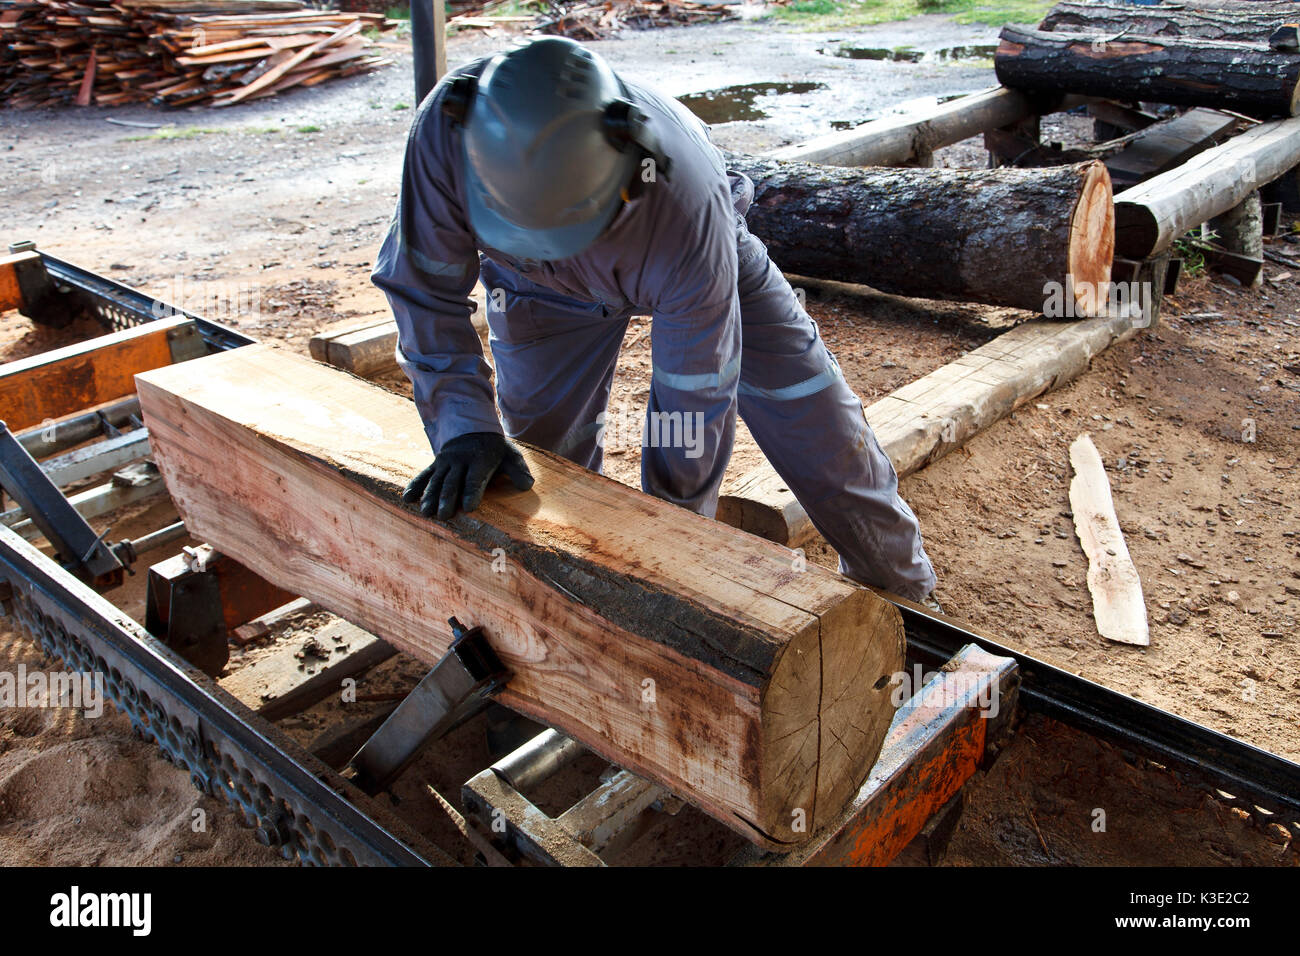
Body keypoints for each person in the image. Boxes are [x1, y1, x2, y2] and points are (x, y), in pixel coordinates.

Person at [372, 36, 939, 605]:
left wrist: (673, 537)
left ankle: (906, 600)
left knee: (816, 421)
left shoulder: (685, 204)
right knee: (542, 461)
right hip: (532, 286)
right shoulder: (450, 129)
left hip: (689, 255)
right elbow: (423, 291)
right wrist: (463, 424)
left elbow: (694, 393)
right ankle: (553, 606)